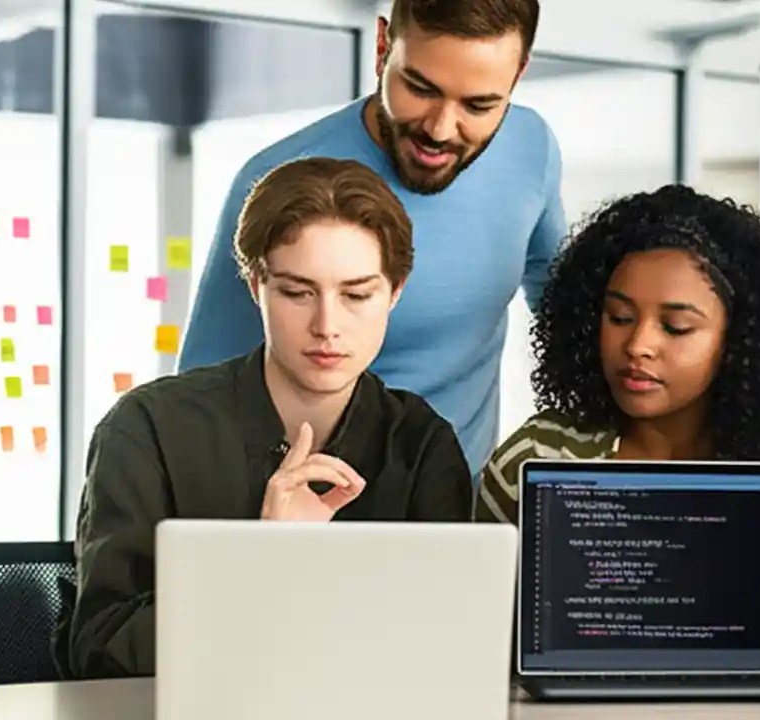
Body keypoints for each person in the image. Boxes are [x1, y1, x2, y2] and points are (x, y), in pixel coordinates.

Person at [474, 185, 760, 713]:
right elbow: (466, 613)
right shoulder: (537, 456)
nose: (638, 345)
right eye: (619, 317)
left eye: (676, 327)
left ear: (738, 341)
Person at [62, 158, 472, 680]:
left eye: (356, 295)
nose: (327, 326)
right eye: (298, 292)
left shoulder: (420, 443)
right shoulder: (148, 430)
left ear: (395, 291)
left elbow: (447, 647)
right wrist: (263, 564)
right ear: (257, 284)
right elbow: (101, 651)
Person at [179, 0, 564, 477]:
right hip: (312, 515)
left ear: (519, 73)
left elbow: (569, 317)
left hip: (464, 518)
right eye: (419, 88)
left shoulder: (532, 148)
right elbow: (199, 401)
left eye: (479, 105)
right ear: (383, 47)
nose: (441, 129)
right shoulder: (273, 181)